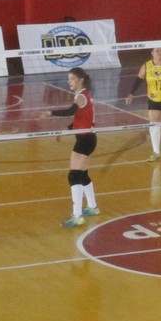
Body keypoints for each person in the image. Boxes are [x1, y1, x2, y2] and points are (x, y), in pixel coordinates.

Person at [46, 67, 101, 227]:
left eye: (71, 79)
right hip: (88, 138)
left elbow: (71, 111)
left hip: (85, 140)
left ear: (80, 80)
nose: (68, 82)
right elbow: (81, 118)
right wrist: (66, 129)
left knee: (73, 176)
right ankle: (92, 207)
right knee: (82, 175)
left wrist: (50, 113)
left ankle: (77, 216)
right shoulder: (84, 95)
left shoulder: (81, 97)